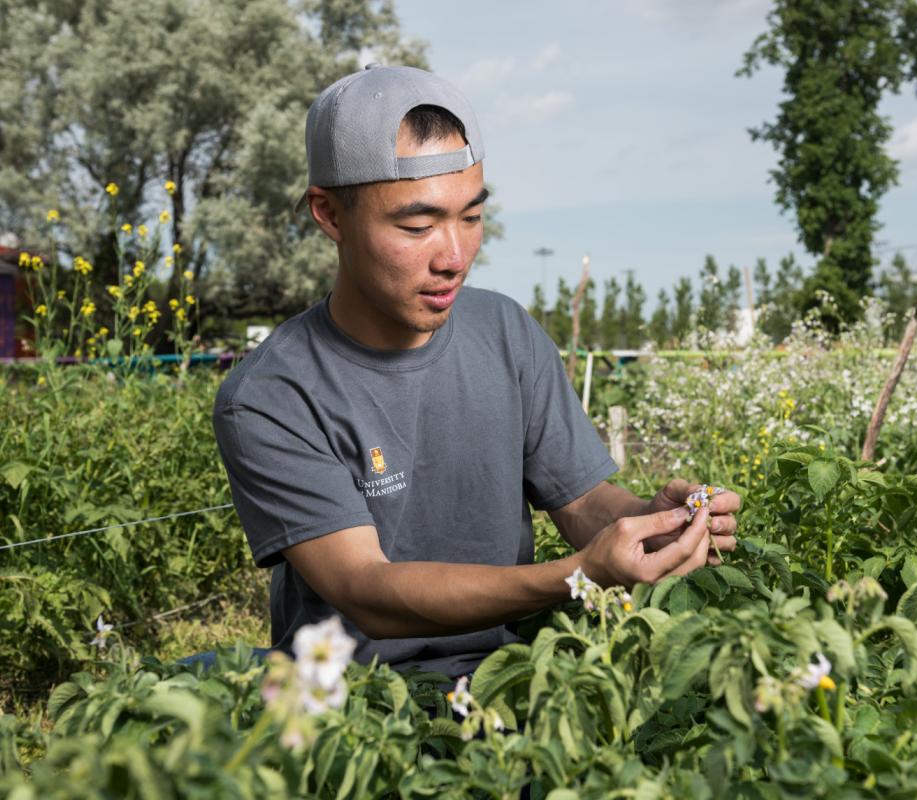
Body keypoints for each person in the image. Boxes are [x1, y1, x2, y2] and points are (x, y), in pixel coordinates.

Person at [212, 64, 740, 680]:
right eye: (418, 226)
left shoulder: (505, 331)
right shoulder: (270, 395)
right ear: (329, 214)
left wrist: (650, 524)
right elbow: (366, 589)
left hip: (509, 679)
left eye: (471, 217)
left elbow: (582, 500)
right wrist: (577, 576)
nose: (456, 257)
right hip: (358, 705)